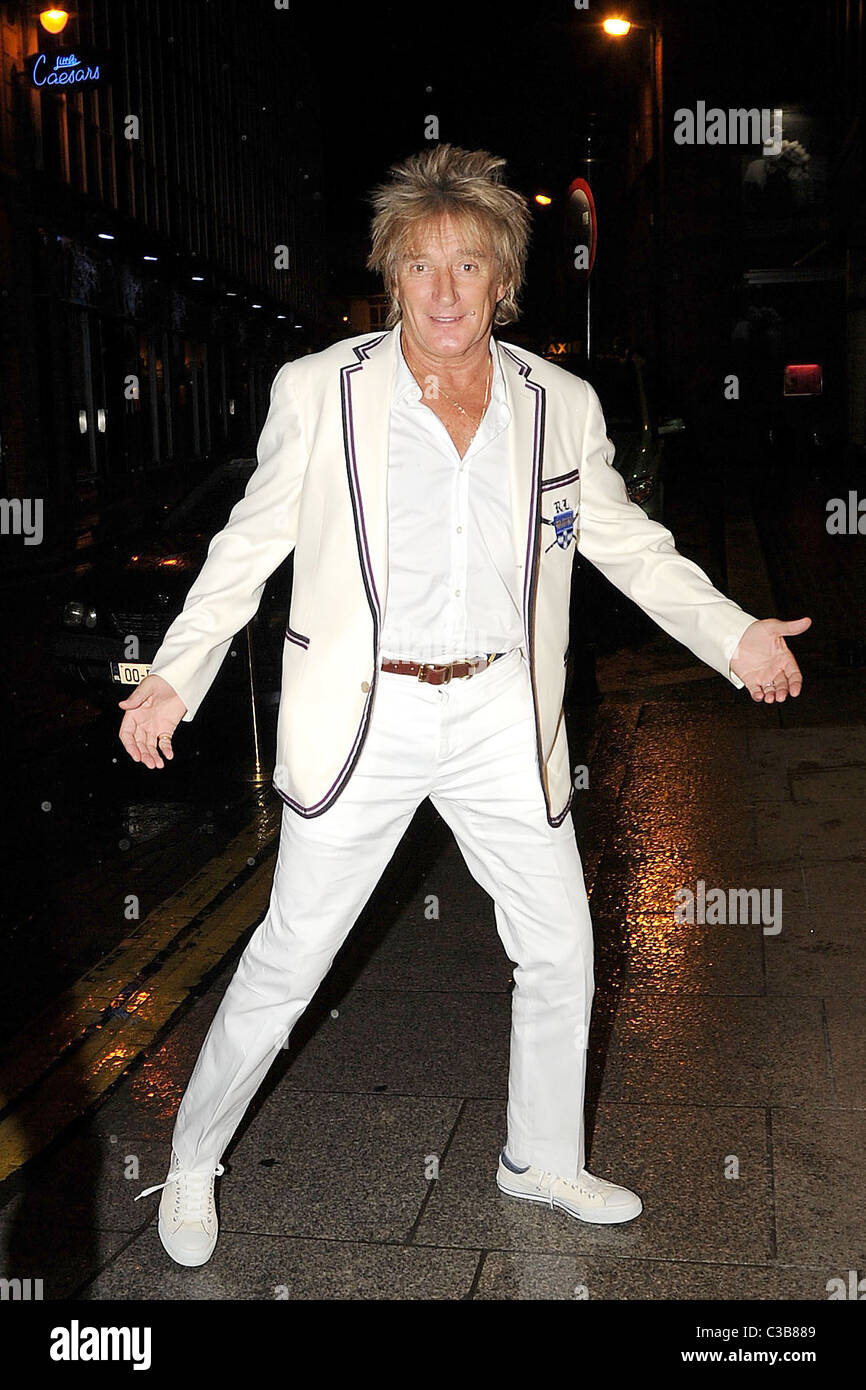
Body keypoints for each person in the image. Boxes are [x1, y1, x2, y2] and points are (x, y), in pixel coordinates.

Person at [121, 144, 810, 1268]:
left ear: (504, 283)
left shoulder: (556, 406)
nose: (445, 291)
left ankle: (536, 1157)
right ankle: (193, 1159)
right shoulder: (322, 393)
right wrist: (174, 672)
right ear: (390, 279)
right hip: (365, 714)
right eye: (422, 266)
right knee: (290, 958)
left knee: (561, 949)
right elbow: (245, 551)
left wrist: (731, 634)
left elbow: (626, 546)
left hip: (499, 711)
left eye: (470, 266)